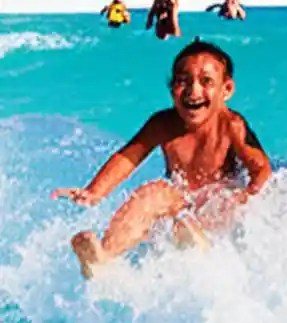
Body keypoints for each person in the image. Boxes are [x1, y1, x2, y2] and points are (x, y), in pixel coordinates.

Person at [51, 40, 271, 279]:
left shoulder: (232, 126)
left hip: (217, 205)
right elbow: (128, 156)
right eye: (182, 81)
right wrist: (94, 191)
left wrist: (246, 197)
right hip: (180, 201)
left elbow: (261, 169)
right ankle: (104, 257)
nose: (193, 91)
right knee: (154, 193)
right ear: (171, 88)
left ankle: (200, 245)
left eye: (206, 81)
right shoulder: (163, 124)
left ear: (226, 89)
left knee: (221, 197)